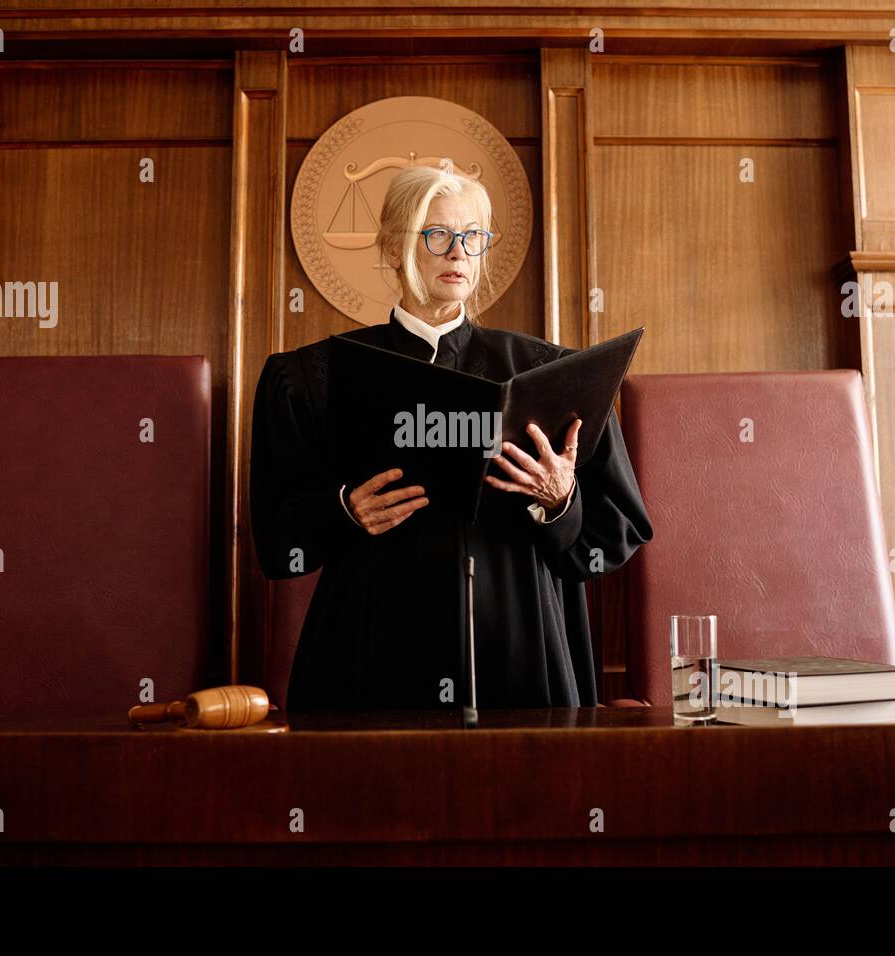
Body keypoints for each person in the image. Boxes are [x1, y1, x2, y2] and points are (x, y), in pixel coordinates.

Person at [251, 163, 652, 710]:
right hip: (369, 644)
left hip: (520, 640)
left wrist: (561, 499)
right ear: (394, 248)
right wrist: (343, 511)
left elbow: (615, 535)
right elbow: (277, 544)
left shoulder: (551, 373)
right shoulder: (308, 378)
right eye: (437, 235)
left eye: (472, 237)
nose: (458, 252)